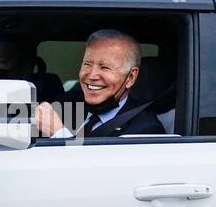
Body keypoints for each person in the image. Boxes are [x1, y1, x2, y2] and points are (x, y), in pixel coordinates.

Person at [34, 29, 165, 139]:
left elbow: (96, 170)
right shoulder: (67, 103)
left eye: (105, 67)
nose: (91, 75)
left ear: (130, 77)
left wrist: (58, 133)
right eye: (87, 64)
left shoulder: (145, 129)